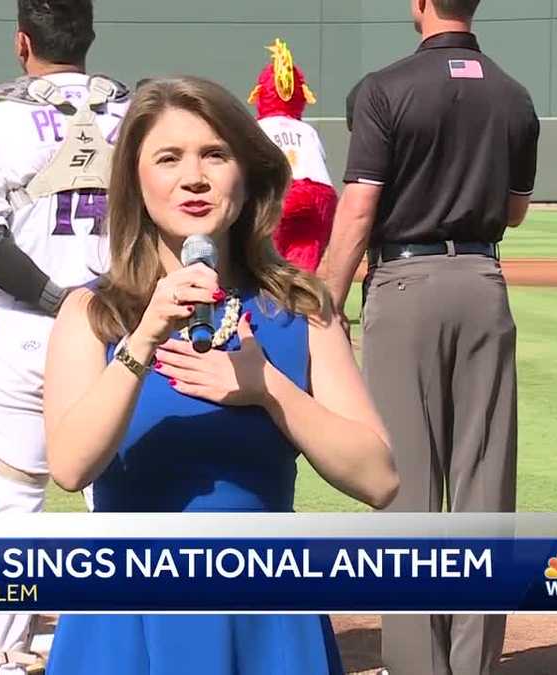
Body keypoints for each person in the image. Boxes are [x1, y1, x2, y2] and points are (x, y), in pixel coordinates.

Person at [42, 76, 398, 675]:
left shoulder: (301, 311)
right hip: (128, 618)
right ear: (136, 180)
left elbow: (379, 478)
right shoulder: (92, 314)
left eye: (215, 153)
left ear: (247, 173)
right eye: (168, 157)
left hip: (264, 618)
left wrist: (267, 390)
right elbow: (71, 467)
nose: (195, 177)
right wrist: (144, 337)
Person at [317, 0, 540, 672]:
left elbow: (358, 210)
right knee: (484, 488)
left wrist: (321, 305)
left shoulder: (385, 89)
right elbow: (515, 212)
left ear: (419, 4)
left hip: (404, 284)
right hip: (482, 281)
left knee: (406, 488)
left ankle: (417, 665)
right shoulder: (515, 95)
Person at [0, 1, 129, 671]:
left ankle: (2, 654)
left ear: (23, 42)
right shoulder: (134, 112)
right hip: (116, 334)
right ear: (88, 36)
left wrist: (59, 300)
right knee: (115, 497)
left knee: (11, 496)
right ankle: (127, 645)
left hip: (28, 331)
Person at [249, 38, 337, 272]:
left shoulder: (258, 127)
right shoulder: (308, 130)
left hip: (278, 195)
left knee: (268, 268)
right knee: (302, 272)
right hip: (317, 194)